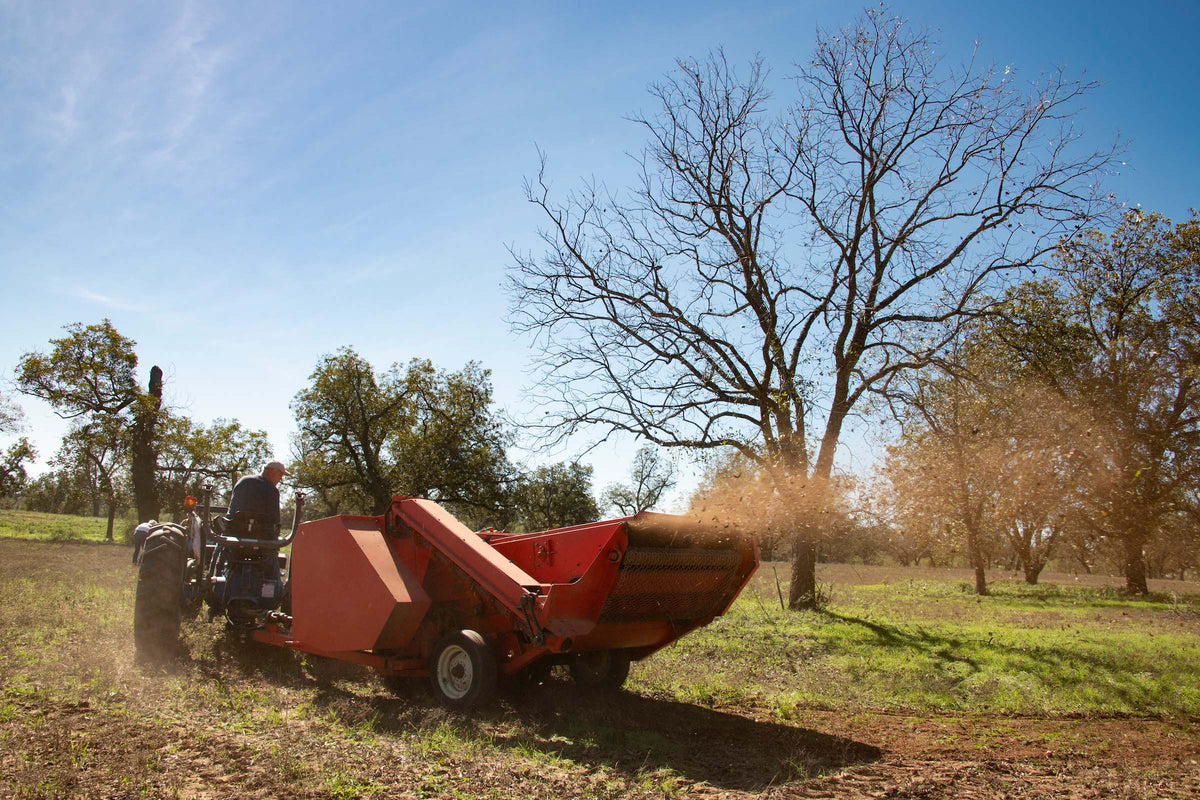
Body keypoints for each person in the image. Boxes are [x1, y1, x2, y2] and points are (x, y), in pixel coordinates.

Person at [227, 460, 288, 537]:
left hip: (233, 531)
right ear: (271, 472)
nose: (281, 479)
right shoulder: (272, 490)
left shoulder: (243, 481)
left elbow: (232, 510)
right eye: (280, 475)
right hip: (259, 537)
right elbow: (275, 520)